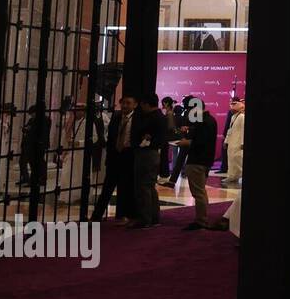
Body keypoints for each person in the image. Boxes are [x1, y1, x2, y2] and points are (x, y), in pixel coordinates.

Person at [176, 96, 220, 230]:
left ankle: (201, 220)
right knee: (201, 191)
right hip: (204, 160)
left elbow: (200, 142)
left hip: (197, 160)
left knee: (198, 192)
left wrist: (186, 142)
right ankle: (202, 218)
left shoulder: (203, 122)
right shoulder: (209, 120)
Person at [91, 95, 136, 222]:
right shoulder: (116, 117)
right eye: (123, 103)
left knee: (125, 189)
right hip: (114, 157)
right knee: (106, 189)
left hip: (128, 157)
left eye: (128, 103)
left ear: (135, 105)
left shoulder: (137, 119)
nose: (125, 105)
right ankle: (96, 217)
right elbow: (111, 138)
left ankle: (122, 216)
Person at [128, 93, 168, 229]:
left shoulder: (152, 118)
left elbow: (142, 134)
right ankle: (154, 218)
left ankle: (145, 219)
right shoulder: (161, 117)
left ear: (146, 104)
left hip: (147, 154)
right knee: (150, 187)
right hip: (153, 154)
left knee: (143, 186)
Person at [223, 97, 245, 188]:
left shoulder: (242, 117)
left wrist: (243, 143)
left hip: (238, 142)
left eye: (233, 109)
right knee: (231, 159)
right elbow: (230, 130)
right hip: (231, 142)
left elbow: (244, 130)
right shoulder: (233, 117)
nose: (231, 110)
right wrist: (226, 141)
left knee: (238, 160)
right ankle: (232, 176)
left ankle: (241, 176)